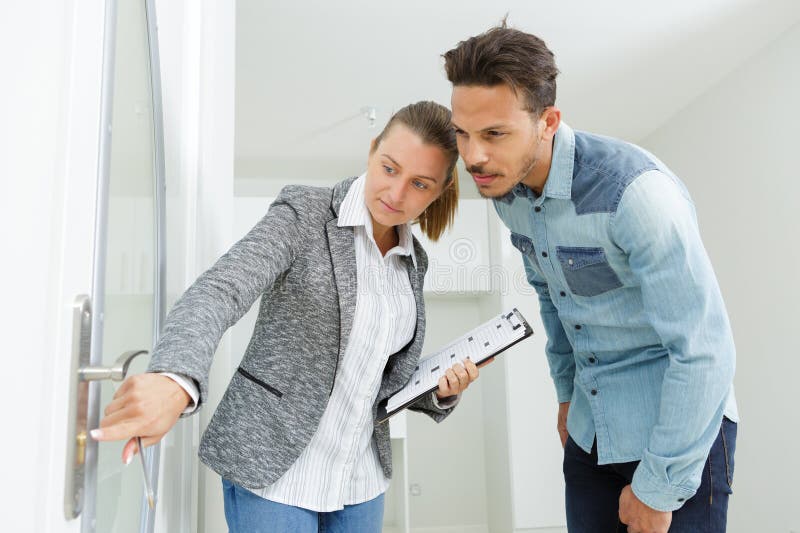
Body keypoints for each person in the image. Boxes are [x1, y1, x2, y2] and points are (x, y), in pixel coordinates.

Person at [92, 101, 486, 532]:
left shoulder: (413, 261)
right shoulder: (305, 213)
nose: (396, 193)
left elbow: (377, 378)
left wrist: (439, 391)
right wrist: (175, 377)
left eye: (419, 184)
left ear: (440, 190)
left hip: (359, 479)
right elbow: (220, 290)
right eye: (389, 169)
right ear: (373, 149)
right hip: (274, 468)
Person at [443, 24, 738, 533]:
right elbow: (552, 298)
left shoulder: (636, 195)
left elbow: (705, 349)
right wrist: (565, 394)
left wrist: (658, 488)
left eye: (494, 134)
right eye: (462, 133)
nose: (473, 157)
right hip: (589, 430)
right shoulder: (508, 195)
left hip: (675, 438)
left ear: (547, 122)